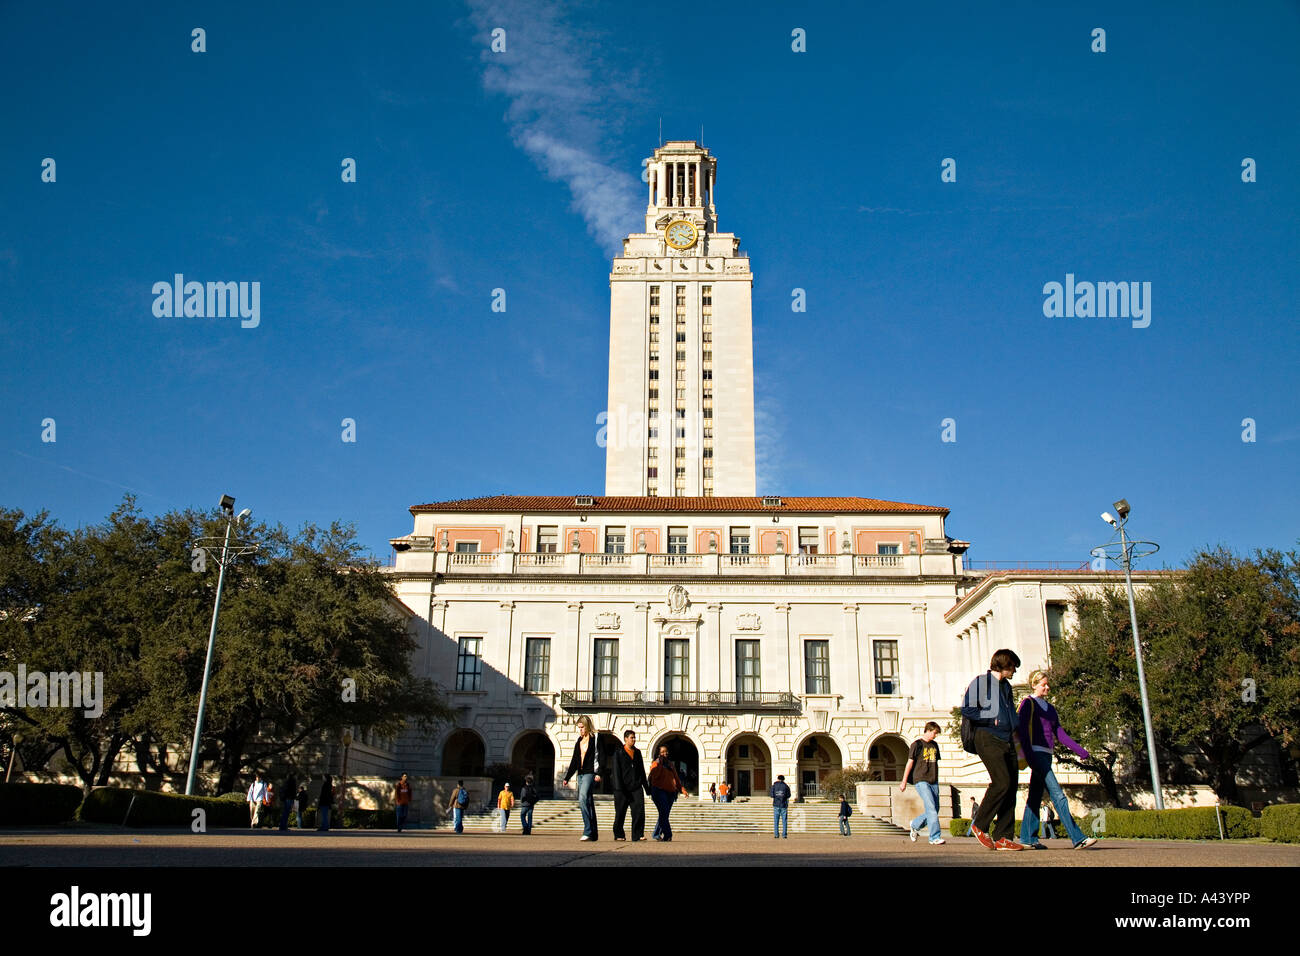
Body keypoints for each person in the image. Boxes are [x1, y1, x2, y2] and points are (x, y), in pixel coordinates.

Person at [1018, 669, 1099, 850]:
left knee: (1035, 796)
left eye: (1047, 684)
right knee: (1058, 795)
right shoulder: (1027, 704)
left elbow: (1060, 734)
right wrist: (1029, 755)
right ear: (1034, 685)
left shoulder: (1051, 709)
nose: (1047, 687)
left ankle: (1027, 838)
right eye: (1043, 684)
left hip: (1047, 754)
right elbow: (1022, 732)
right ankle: (1078, 838)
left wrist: (1081, 751)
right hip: (1036, 754)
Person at [961, 649, 1025, 851]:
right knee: (1001, 782)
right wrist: (991, 718)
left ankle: (1003, 837)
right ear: (1004, 665)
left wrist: (1018, 726)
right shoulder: (981, 682)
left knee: (1011, 787)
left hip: (1008, 740)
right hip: (987, 737)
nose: (1015, 671)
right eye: (1013, 666)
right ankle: (980, 825)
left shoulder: (1006, 686)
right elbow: (967, 709)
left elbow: (1010, 713)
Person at [899, 721, 946, 845]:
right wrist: (904, 781)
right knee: (931, 808)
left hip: (933, 781)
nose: (935, 736)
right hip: (921, 780)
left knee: (935, 809)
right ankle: (934, 837)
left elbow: (935, 763)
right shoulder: (917, 744)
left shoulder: (935, 745)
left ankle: (915, 824)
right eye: (934, 733)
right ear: (928, 730)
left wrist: (936, 779)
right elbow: (910, 763)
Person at [562, 715, 603, 841]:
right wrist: (567, 777)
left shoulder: (596, 738)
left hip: (590, 773)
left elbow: (602, 756)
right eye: (579, 728)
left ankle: (587, 830)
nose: (580, 730)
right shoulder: (579, 741)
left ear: (587, 726)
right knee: (588, 802)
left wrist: (599, 773)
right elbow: (575, 760)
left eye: (582, 727)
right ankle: (593, 833)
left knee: (582, 799)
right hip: (580, 774)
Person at [610, 730, 649, 841]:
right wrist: (619, 788)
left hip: (636, 787)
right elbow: (616, 771)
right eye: (632, 737)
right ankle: (619, 834)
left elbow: (642, 770)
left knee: (639, 811)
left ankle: (638, 834)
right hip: (622, 788)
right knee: (620, 812)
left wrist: (646, 788)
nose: (634, 740)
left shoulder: (637, 752)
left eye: (634, 737)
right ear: (626, 739)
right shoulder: (618, 752)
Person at [648, 744, 688, 842]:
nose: (665, 754)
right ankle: (667, 834)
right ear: (658, 754)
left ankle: (657, 833)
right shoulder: (655, 763)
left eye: (666, 752)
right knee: (664, 813)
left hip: (670, 792)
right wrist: (660, 765)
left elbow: (676, 778)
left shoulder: (670, 764)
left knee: (664, 814)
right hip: (659, 791)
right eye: (662, 752)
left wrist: (682, 789)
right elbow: (654, 776)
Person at [770, 774, 791, 839]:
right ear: (783, 779)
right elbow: (789, 795)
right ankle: (784, 834)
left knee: (776, 820)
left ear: (778, 779)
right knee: (784, 820)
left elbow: (771, 795)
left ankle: (776, 834)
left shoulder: (774, 786)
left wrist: (777, 797)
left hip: (776, 804)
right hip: (784, 805)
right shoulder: (786, 786)